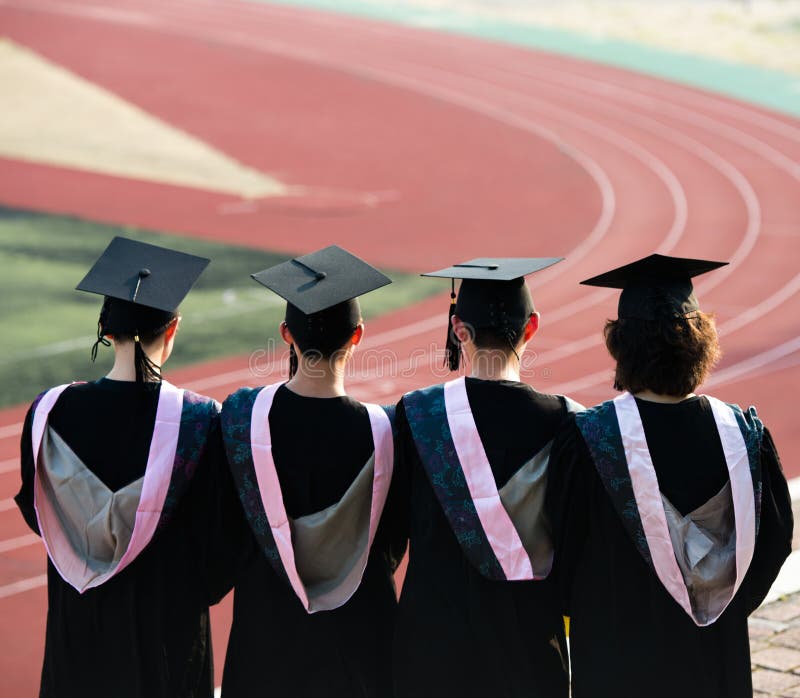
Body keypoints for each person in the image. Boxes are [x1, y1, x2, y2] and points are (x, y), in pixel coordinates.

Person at [546, 253, 793, 698]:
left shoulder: (588, 441)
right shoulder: (743, 436)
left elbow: (559, 556)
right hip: (713, 656)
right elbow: (773, 545)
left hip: (616, 657)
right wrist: (721, 607)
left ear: (620, 348)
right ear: (702, 343)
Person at [15, 236, 241, 698]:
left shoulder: (49, 413)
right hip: (166, 646)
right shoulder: (201, 423)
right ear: (172, 328)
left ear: (105, 329)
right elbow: (220, 554)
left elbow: (39, 516)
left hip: (77, 641)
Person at [220, 245, 406, 698]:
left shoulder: (242, 417)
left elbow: (224, 532)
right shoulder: (388, 431)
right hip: (358, 640)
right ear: (357, 335)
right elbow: (391, 544)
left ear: (286, 334)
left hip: (266, 634)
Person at [392, 257, 581, 698]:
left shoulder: (418, 416)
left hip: (433, 646)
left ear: (459, 329)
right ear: (531, 327)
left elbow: (394, 531)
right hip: (529, 647)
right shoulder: (570, 424)